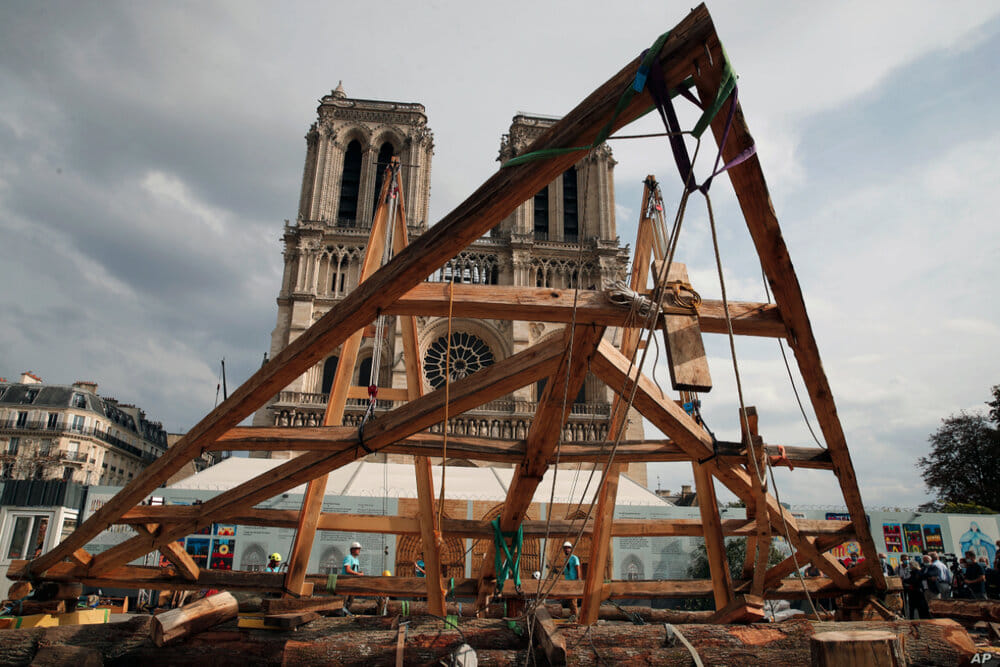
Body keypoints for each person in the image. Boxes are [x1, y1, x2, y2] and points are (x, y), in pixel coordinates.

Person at [559, 541, 581, 617]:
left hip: (573, 582)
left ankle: (575, 617)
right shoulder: (566, 560)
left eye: (568, 548)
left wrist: (578, 581)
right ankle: (573, 616)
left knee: (573, 601)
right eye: (565, 548)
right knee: (570, 601)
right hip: (567, 583)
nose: (567, 550)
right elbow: (566, 572)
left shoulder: (574, 558)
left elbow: (577, 568)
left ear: (571, 549)